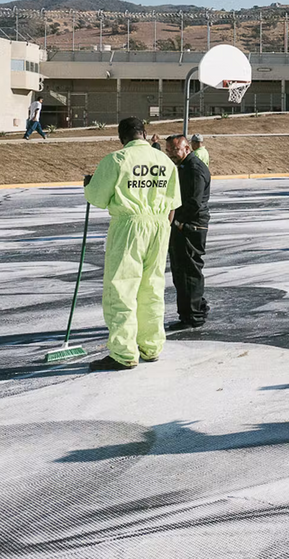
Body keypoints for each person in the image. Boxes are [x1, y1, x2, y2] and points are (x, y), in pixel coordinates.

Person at [83, 117, 181, 371]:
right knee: (152, 286)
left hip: (130, 225)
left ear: (121, 138)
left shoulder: (117, 160)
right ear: (145, 134)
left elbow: (97, 197)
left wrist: (89, 185)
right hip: (160, 225)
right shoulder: (164, 161)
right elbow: (173, 203)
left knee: (122, 287)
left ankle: (123, 352)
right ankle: (151, 346)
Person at [164, 134, 212, 329]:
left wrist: (179, 222)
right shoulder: (184, 167)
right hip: (185, 225)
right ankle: (195, 308)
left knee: (188, 270)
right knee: (181, 270)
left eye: (175, 150)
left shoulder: (194, 169)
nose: (171, 154)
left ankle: (193, 316)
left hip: (191, 226)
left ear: (187, 149)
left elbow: (194, 201)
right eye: (169, 150)